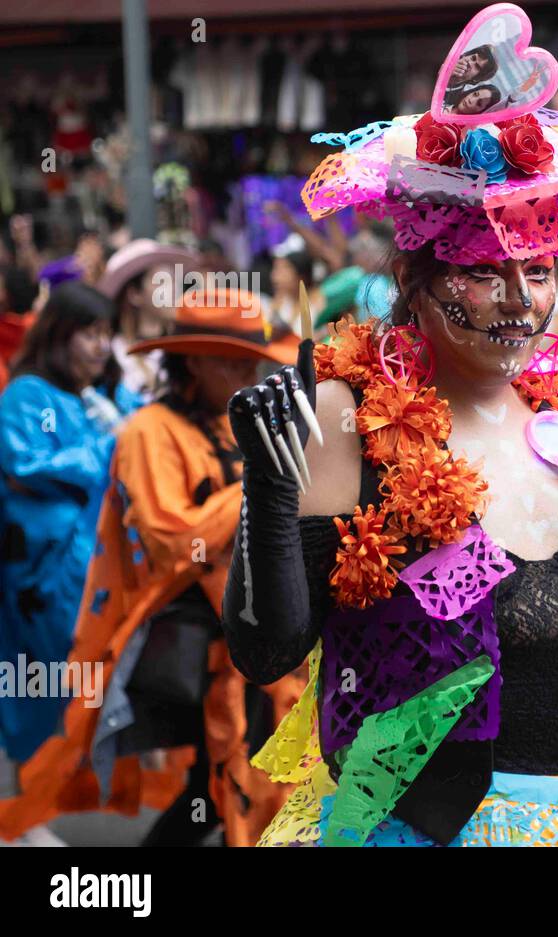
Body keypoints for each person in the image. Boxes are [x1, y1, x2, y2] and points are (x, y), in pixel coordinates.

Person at [221, 6, 558, 847]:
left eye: (539, 271)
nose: (522, 303)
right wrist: (267, 486)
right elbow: (269, 651)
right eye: (484, 274)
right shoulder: (348, 415)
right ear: (412, 274)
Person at [0, 289, 305, 847]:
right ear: (192, 360)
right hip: (194, 638)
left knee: (220, 789)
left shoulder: (237, 422)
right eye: (229, 359)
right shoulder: (149, 430)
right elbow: (172, 539)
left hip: (262, 644)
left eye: (252, 360)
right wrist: (259, 488)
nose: (246, 371)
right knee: (225, 781)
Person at [0, 283, 138, 774]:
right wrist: (109, 449)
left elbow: (149, 432)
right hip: (47, 568)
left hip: (105, 563)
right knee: (40, 687)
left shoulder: (109, 392)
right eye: (90, 333)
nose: (102, 345)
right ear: (60, 335)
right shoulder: (28, 394)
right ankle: (24, 807)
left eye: (107, 333)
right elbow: (26, 463)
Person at [97, 239, 201, 398]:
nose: (173, 290)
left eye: (173, 281)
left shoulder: (184, 351)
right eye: (162, 282)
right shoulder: (110, 355)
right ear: (134, 294)